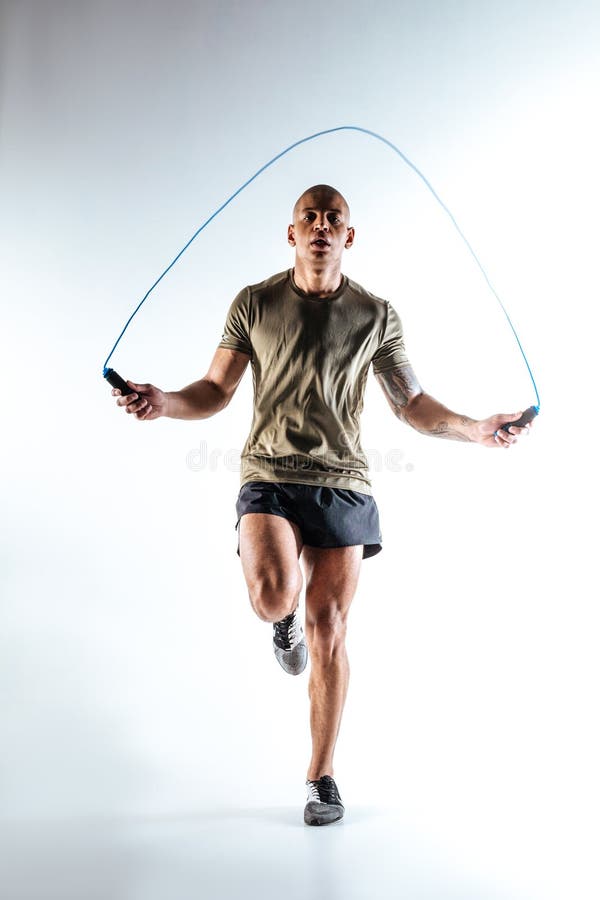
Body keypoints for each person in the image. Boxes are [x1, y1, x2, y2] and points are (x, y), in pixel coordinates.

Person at [112, 184, 532, 826]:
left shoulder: (377, 316)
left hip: (345, 482)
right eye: (309, 216)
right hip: (269, 475)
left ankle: (321, 778)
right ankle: (281, 623)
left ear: (348, 236)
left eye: (333, 218)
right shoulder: (254, 303)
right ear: (291, 233)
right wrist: (162, 400)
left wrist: (476, 428)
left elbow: (412, 403)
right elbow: (215, 390)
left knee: (330, 626)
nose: (320, 225)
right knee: (275, 598)